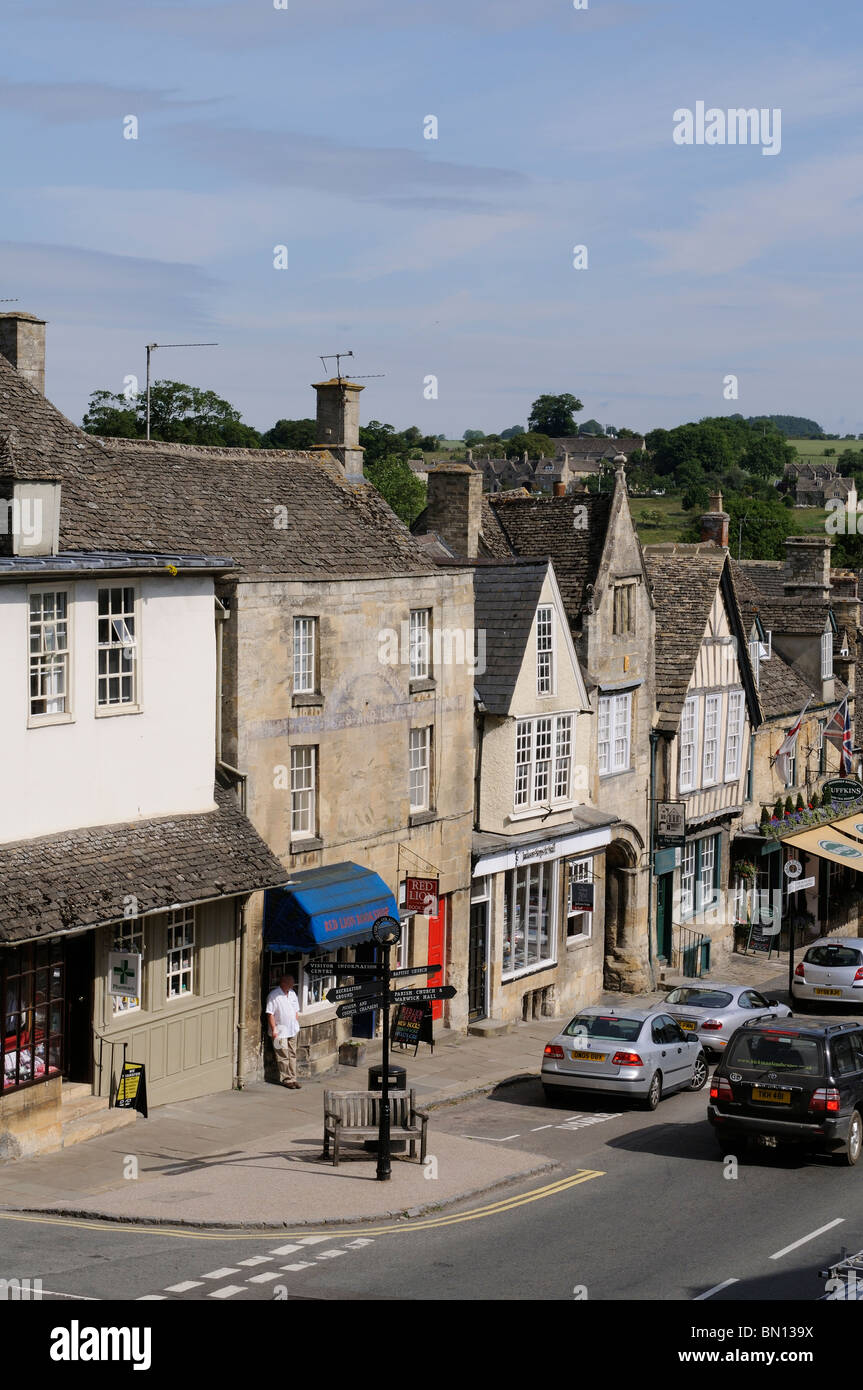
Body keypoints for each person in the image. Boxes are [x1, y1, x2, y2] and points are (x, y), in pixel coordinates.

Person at [266, 974, 301, 1089]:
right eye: (290, 983)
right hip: (279, 1031)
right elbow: (270, 1014)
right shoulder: (273, 995)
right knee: (282, 1055)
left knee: (292, 1054)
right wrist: (274, 1029)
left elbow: (296, 1011)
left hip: (293, 1029)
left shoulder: (292, 993)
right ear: (283, 983)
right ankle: (287, 1079)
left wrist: (295, 1022)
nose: (292, 985)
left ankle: (293, 1078)